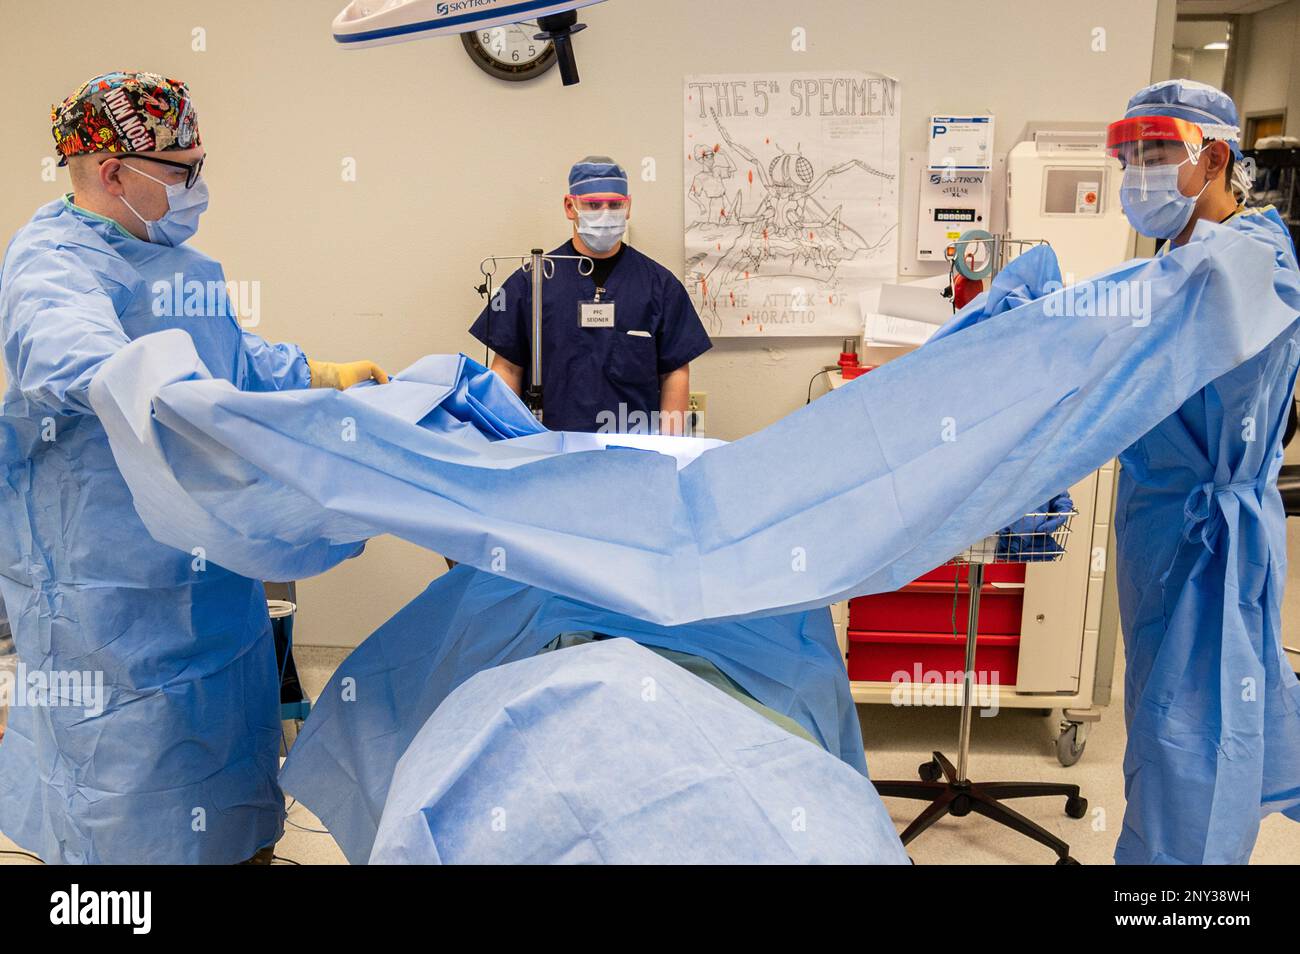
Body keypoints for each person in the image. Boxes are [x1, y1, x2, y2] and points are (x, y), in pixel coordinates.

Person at [0, 71, 388, 864]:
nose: (197, 186)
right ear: (115, 171)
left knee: (226, 756)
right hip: (113, 592)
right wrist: (178, 402)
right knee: (131, 793)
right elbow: (73, 355)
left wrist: (319, 375)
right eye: (184, 169)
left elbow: (235, 361)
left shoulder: (183, 269)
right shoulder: (54, 266)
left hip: (210, 570)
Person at [1105, 79, 1300, 863]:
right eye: (1131, 157)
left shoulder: (1245, 260)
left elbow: (1139, 339)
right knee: (1164, 723)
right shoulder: (1181, 251)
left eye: (1156, 153)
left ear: (1214, 157)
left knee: (1194, 739)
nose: (1140, 173)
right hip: (1161, 531)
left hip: (1209, 544)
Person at [469, 156, 712, 434]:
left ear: (628, 206)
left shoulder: (659, 285)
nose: (606, 213)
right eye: (594, 205)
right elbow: (507, 370)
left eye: (615, 204)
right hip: (548, 449)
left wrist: (671, 449)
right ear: (570, 207)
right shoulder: (532, 282)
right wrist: (506, 444)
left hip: (632, 451)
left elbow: (675, 373)